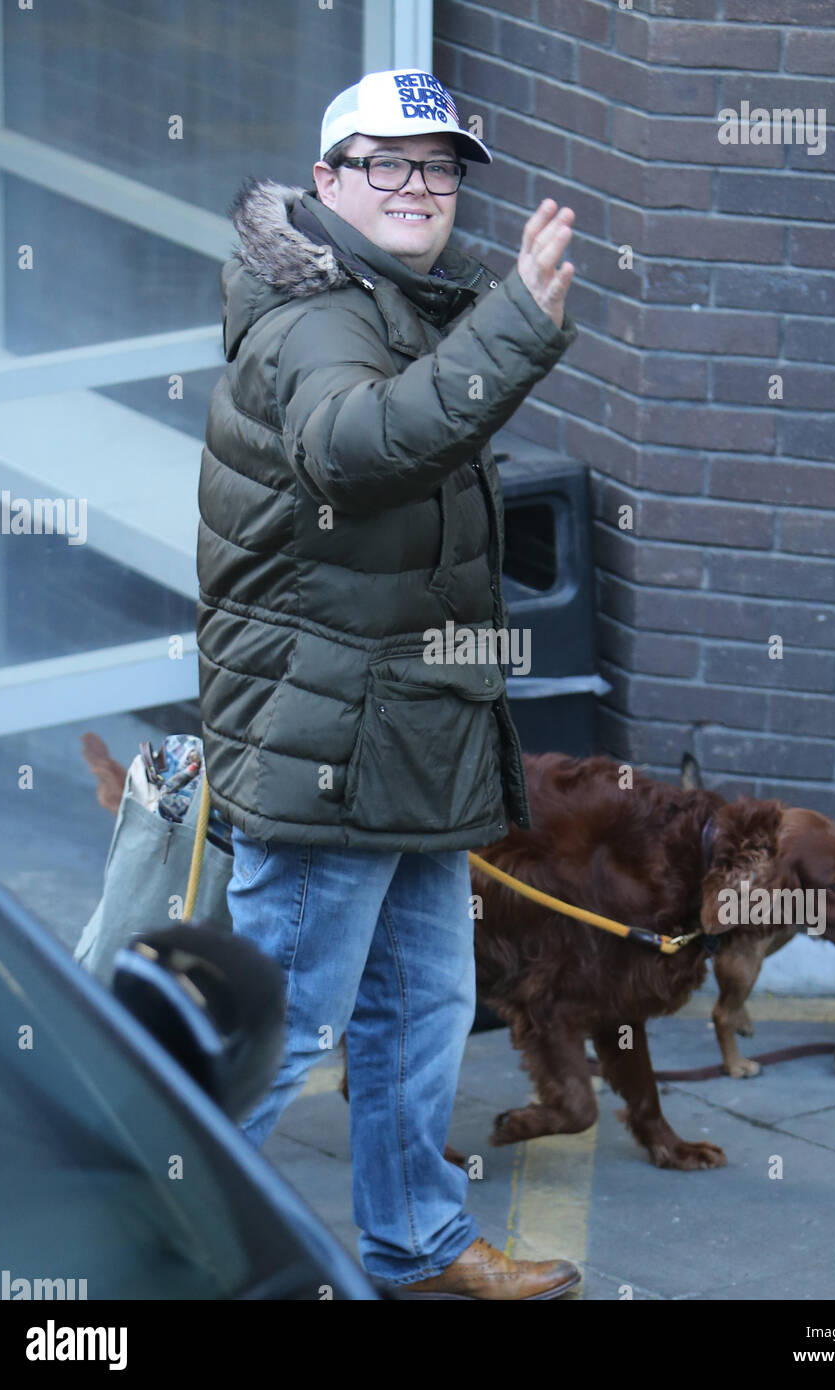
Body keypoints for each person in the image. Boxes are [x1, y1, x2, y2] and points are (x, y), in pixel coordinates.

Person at [196, 67, 579, 1299]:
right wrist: (515, 322)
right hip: (330, 737)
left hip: (409, 727)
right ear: (327, 183)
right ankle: (166, 1262)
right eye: (388, 164)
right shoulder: (314, 316)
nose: (421, 188)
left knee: (418, 1010)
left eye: (441, 167)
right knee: (282, 1021)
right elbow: (352, 452)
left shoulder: (396, 295)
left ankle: (415, 1237)